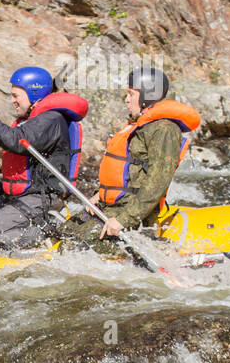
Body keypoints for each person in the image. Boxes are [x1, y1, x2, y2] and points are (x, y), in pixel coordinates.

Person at [63, 67, 201, 245]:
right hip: (111, 206)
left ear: (147, 95)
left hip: (132, 216)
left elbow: (158, 181)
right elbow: (128, 172)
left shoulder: (164, 129)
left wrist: (124, 220)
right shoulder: (139, 126)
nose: (126, 100)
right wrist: (100, 195)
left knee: (71, 247)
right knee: (61, 235)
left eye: (131, 94)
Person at [0, 66, 88, 248]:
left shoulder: (50, 120)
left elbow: (16, 141)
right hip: (23, 194)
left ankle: (50, 233)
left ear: (33, 93)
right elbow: (24, 170)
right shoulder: (30, 121)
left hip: (41, 197)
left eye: (16, 96)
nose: (12, 101)